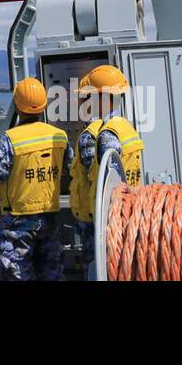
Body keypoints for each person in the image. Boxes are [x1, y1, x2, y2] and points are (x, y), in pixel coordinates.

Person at [0, 77, 71, 280]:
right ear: (43, 106)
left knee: (18, 274)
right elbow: (67, 167)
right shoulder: (59, 136)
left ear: (18, 107)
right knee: (51, 272)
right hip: (49, 215)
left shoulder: (10, 139)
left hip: (17, 219)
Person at [69, 65, 143, 277]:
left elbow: (99, 181)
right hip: (128, 211)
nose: (82, 103)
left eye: (86, 98)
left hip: (100, 220)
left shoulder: (94, 135)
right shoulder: (126, 128)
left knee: (99, 270)